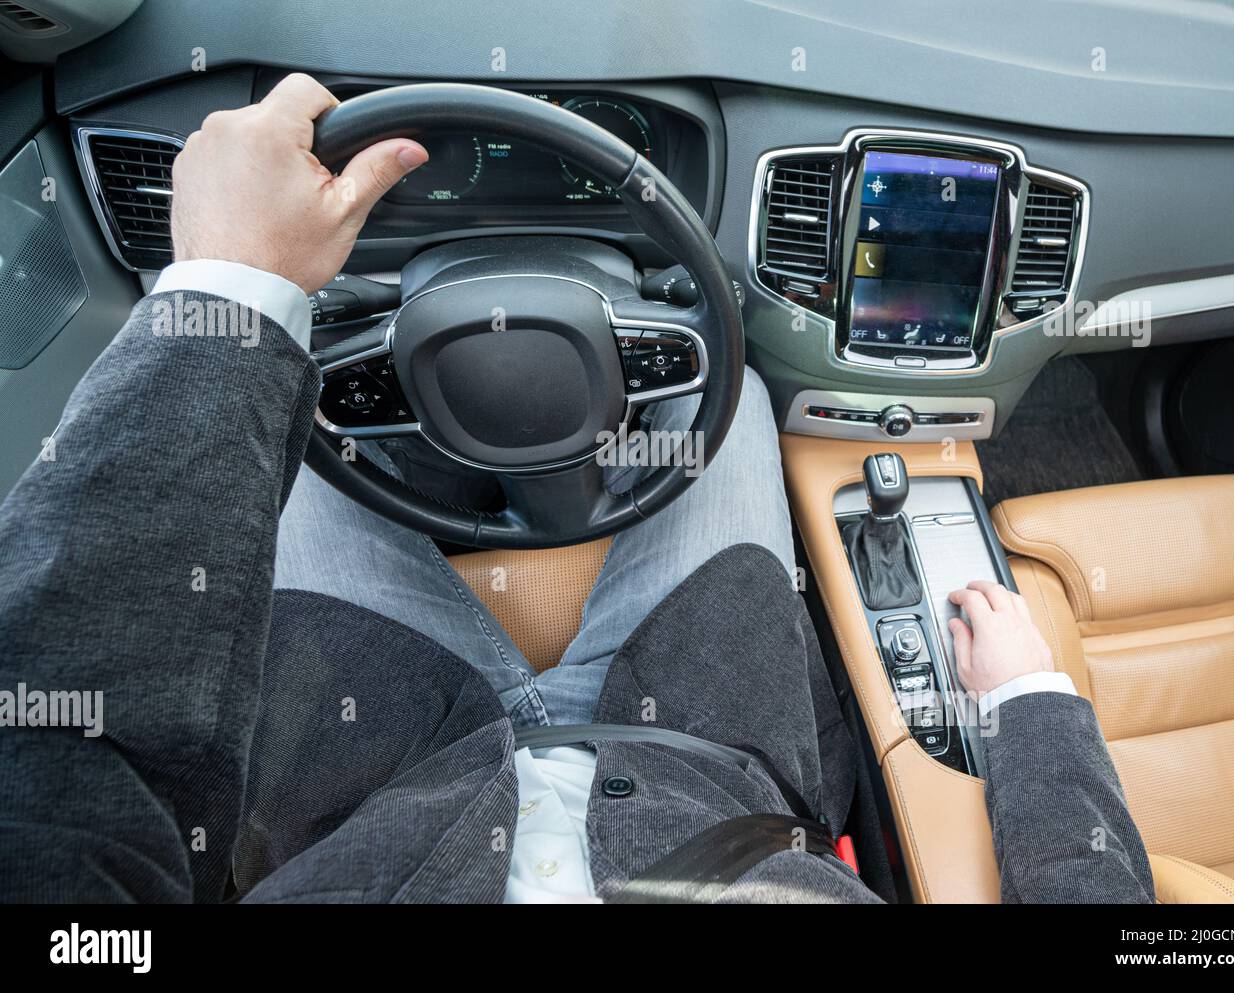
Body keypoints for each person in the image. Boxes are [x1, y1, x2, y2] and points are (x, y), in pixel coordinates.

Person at [0, 75, 1153, 904]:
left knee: (288, 425)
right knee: (733, 398)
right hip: (716, 754)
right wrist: (1029, 705)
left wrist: (236, 294)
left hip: (371, 779)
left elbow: (60, 766)